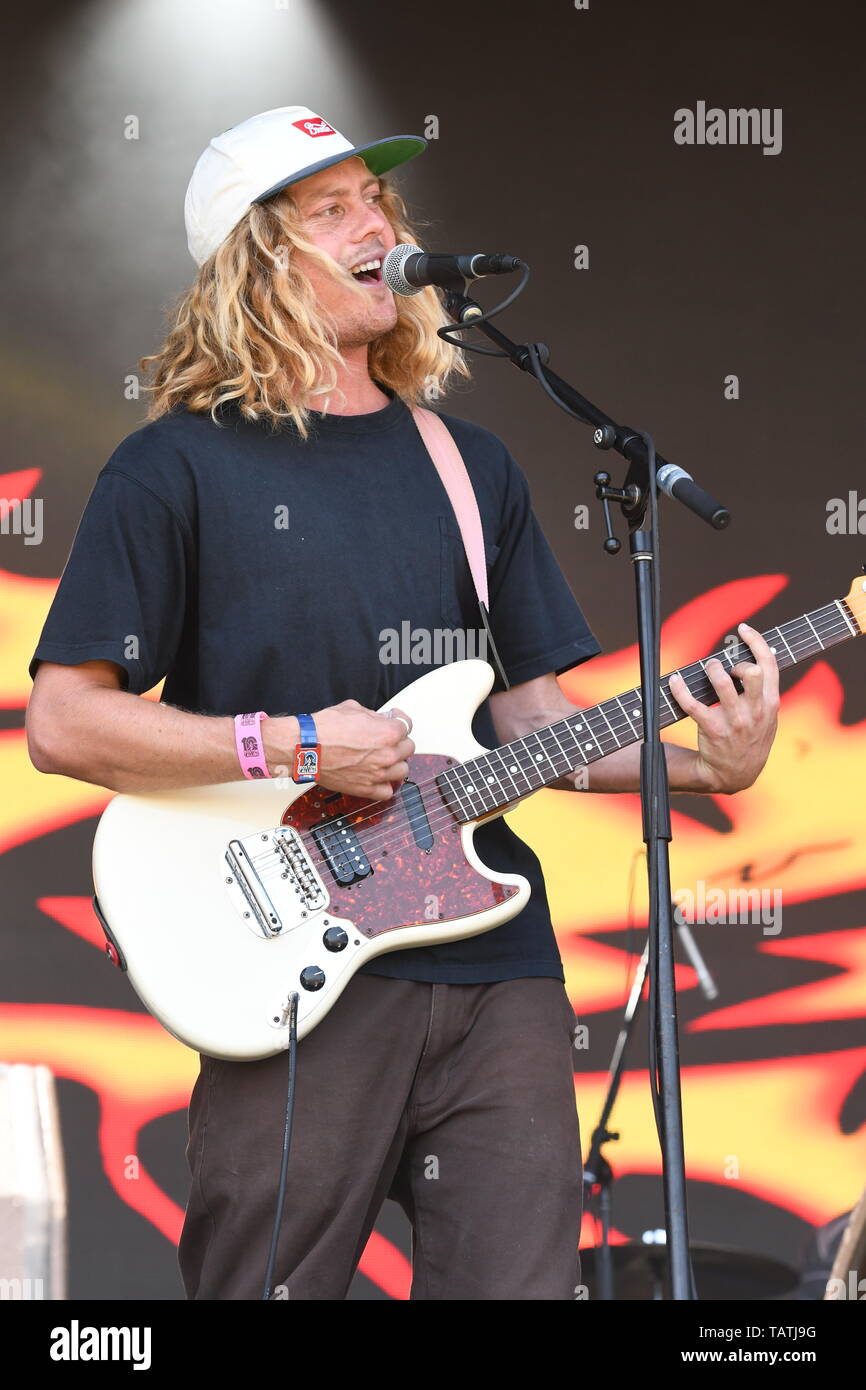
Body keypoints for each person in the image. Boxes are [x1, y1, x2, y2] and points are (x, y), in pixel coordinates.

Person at [25, 105, 780, 1300]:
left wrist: (708, 768)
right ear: (256, 256)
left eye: (378, 202)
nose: (379, 222)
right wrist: (291, 742)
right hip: (284, 963)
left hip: (496, 967)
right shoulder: (173, 467)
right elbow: (64, 722)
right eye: (333, 207)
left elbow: (533, 730)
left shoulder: (465, 464)